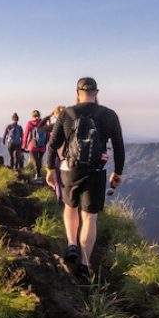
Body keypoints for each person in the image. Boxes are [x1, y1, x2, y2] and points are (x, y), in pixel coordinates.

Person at [46, 77, 124, 285]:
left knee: (70, 207)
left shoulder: (67, 113)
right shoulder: (108, 115)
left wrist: (49, 169)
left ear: (77, 92)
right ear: (96, 92)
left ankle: (72, 243)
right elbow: (118, 146)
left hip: (69, 170)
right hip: (95, 172)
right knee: (90, 217)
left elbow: (53, 145)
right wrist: (117, 173)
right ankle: (85, 262)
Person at [43, 106, 66, 204]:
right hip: (67, 156)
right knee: (63, 180)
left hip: (57, 156)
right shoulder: (69, 125)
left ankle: (60, 200)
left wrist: (49, 116)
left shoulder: (54, 126)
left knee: (57, 180)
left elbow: (40, 127)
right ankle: (65, 198)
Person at [23, 110, 48, 181]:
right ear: (39, 115)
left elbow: (26, 135)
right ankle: (39, 175)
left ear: (32, 116)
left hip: (32, 145)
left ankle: (38, 176)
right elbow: (48, 134)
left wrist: (24, 145)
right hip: (42, 146)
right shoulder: (44, 123)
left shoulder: (30, 123)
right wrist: (46, 143)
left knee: (35, 161)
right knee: (39, 160)